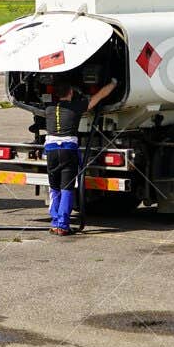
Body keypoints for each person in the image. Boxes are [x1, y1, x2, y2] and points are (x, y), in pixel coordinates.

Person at [42, 74, 119, 236]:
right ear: (70, 92)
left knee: (54, 187)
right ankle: (63, 225)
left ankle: (55, 222)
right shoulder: (76, 107)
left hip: (50, 151)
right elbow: (98, 97)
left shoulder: (48, 108)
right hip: (67, 150)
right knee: (67, 188)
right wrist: (113, 83)